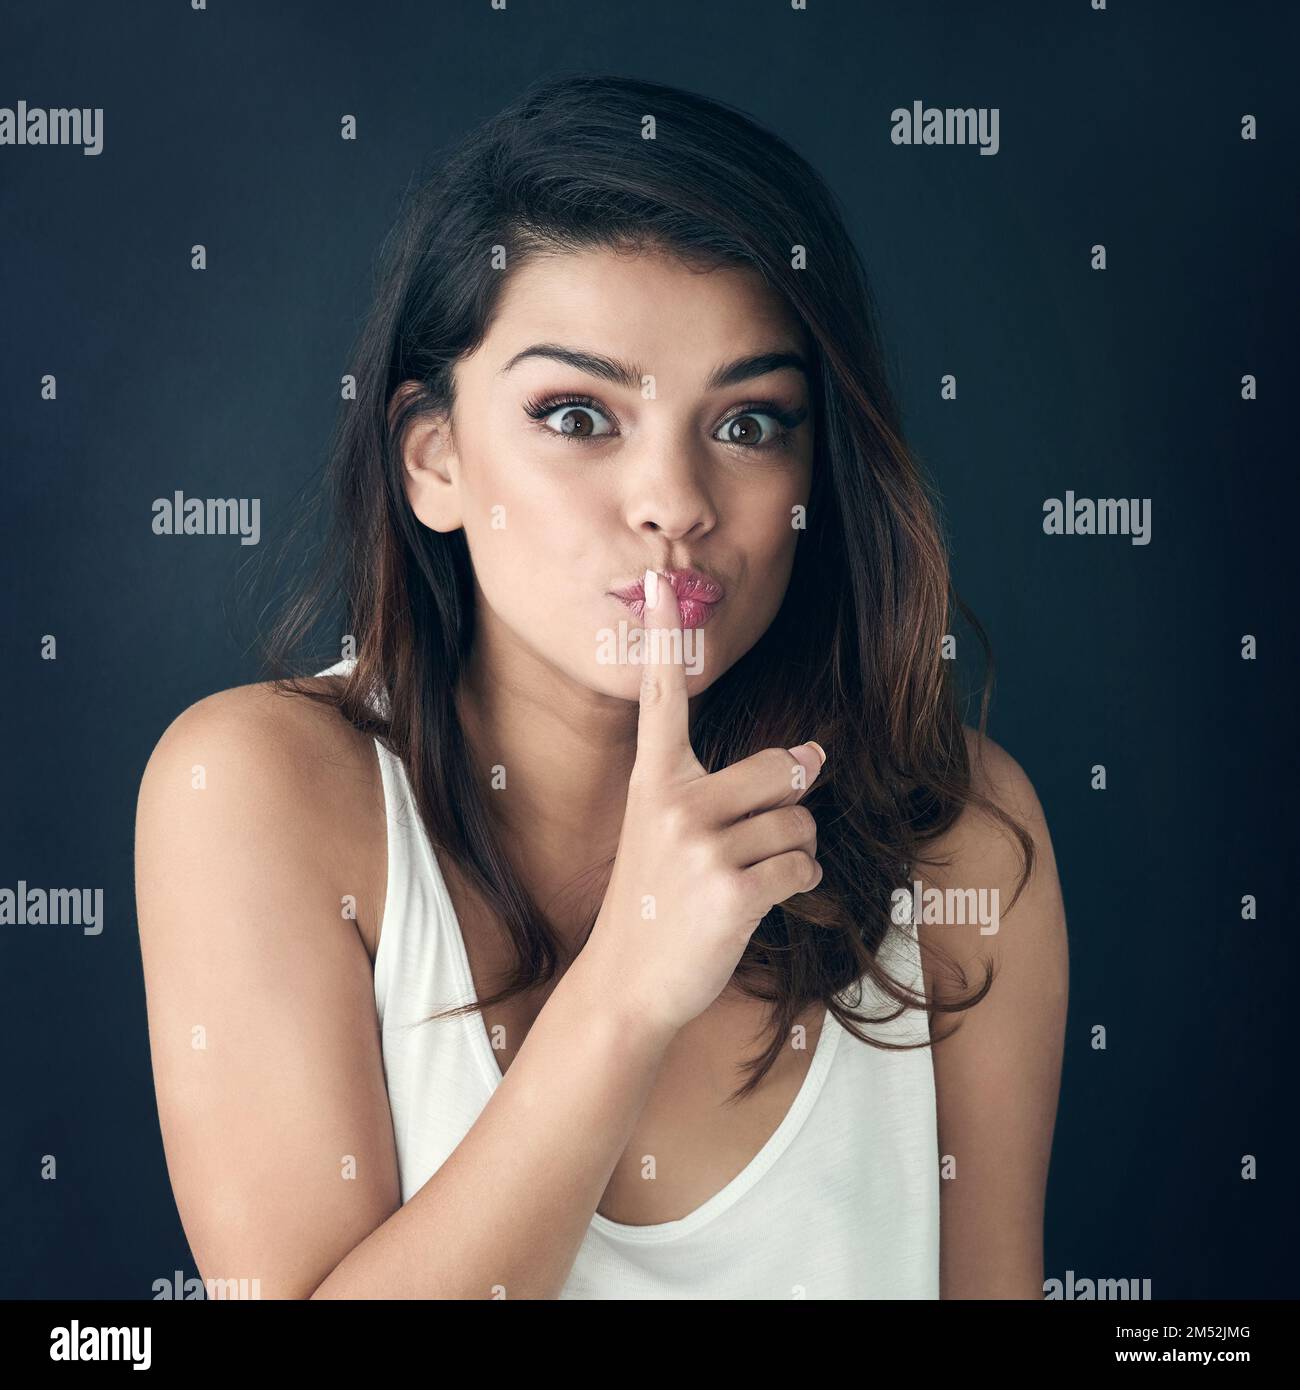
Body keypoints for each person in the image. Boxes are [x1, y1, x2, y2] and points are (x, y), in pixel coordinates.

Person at [134, 74, 1068, 1300]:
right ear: (436, 461)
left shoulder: (952, 837)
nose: (674, 501)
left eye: (748, 424)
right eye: (578, 414)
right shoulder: (258, 792)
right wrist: (627, 988)